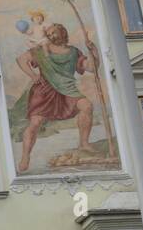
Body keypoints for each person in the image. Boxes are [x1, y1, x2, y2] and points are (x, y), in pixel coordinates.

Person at [12, 22, 94, 173]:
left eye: (54, 33)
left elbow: (91, 68)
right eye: (48, 34)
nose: (50, 36)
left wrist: (93, 52)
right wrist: (32, 75)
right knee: (35, 123)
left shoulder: (74, 52)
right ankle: (25, 156)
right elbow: (21, 60)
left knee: (87, 106)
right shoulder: (40, 51)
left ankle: (84, 143)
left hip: (68, 90)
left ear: (63, 34)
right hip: (44, 91)